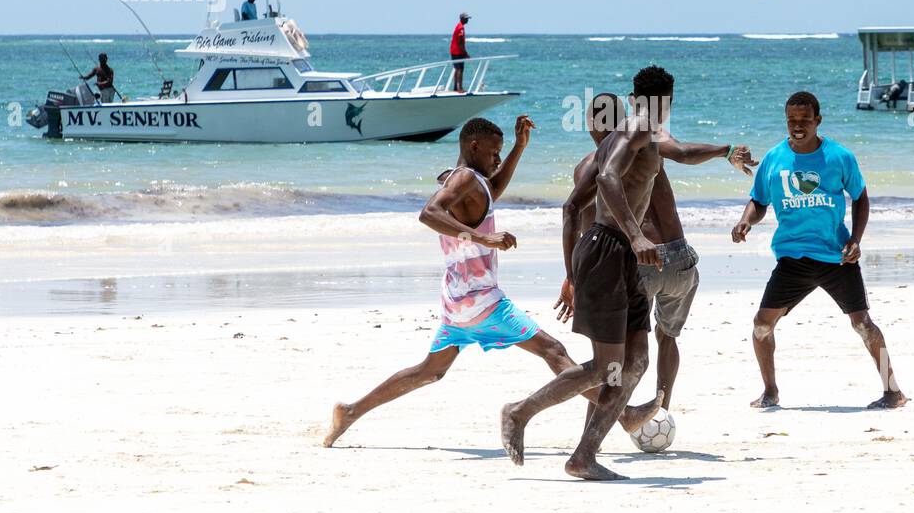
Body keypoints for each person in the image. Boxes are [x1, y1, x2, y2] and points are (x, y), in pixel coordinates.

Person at [322, 115, 660, 448]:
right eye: (493, 152)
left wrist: (519, 147)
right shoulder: (465, 178)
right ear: (474, 146)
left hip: (457, 299)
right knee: (553, 350)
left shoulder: (472, 181)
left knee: (430, 370)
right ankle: (624, 414)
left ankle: (350, 412)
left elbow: (493, 189)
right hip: (481, 299)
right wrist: (482, 240)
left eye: (500, 153)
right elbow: (428, 213)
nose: (497, 159)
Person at [500, 66, 675, 481]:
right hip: (603, 260)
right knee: (604, 367)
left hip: (626, 264)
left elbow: (672, 162)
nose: (597, 129)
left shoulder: (639, 148)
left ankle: (584, 455)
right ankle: (520, 412)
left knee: (634, 363)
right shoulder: (597, 162)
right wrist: (574, 277)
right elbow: (570, 210)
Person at [558, 92, 755, 412]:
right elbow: (684, 151)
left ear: (590, 125)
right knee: (667, 337)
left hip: (637, 264)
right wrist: (727, 150)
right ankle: (661, 409)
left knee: (612, 357)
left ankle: (606, 422)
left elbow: (581, 225)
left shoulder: (589, 166)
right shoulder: (645, 144)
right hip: (680, 262)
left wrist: (573, 278)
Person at [732, 90, 907, 410]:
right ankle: (770, 391)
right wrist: (746, 221)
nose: (798, 126)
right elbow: (759, 202)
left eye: (804, 120)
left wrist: (856, 239)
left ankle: (893, 391)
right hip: (792, 258)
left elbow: (861, 198)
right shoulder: (774, 158)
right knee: (761, 326)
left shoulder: (839, 157)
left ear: (817, 121)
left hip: (836, 256)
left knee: (863, 325)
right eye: (791, 120)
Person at [450, 12, 470, 92]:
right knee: (460, 69)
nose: (467, 20)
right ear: (462, 19)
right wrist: (465, 53)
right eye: (466, 18)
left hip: (453, 50)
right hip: (458, 52)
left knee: (456, 69)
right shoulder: (461, 28)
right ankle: (460, 88)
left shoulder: (458, 26)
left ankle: (455, 87)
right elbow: (460, 42)